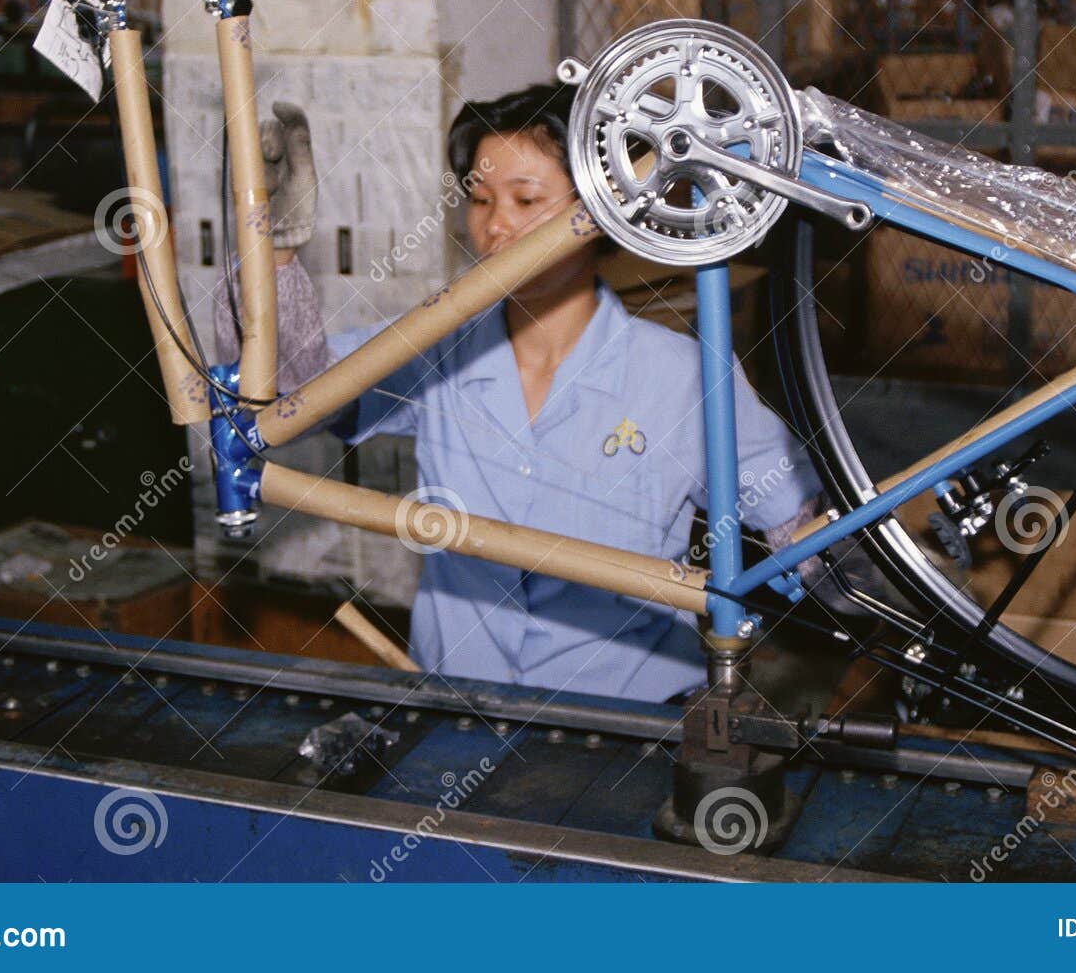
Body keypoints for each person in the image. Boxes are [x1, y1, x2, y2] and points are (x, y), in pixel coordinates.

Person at [215, 85, 858, 702]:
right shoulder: (436, 346)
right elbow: (289, 401)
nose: (497, 228)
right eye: (481, 198)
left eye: (527, 201)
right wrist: (271, 250)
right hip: (455, 704)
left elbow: (798, 528)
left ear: (600, 212)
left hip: (627, 720)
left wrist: (881, 581)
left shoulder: (679, 376)